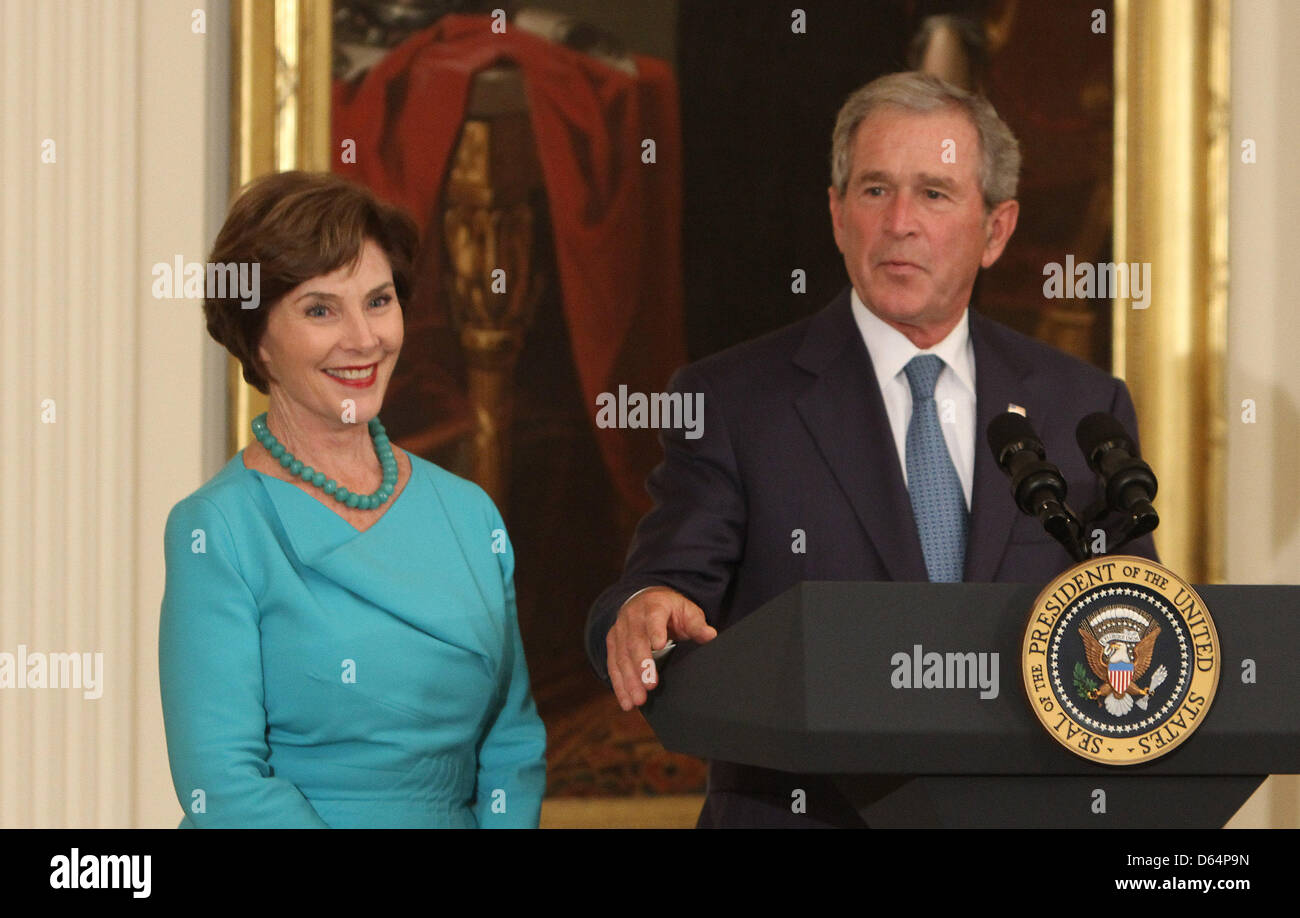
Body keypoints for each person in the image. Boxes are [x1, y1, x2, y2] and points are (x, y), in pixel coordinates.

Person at [585, 71, 1159, 828]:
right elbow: (661, 590)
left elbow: (1136, 620)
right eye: (874, 190)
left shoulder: (1081, 407)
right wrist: (641, 609)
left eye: (935, 193)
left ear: (997, 229)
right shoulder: (735, 401)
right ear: (836, 213)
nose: (900, 222)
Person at [159, 170, 546, 828]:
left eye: (378, 300)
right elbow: (221, 783)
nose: (364, 338)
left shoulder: (469, 512)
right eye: (319, 310)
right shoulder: (217, 530)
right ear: (258, 340)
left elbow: (512, 745)